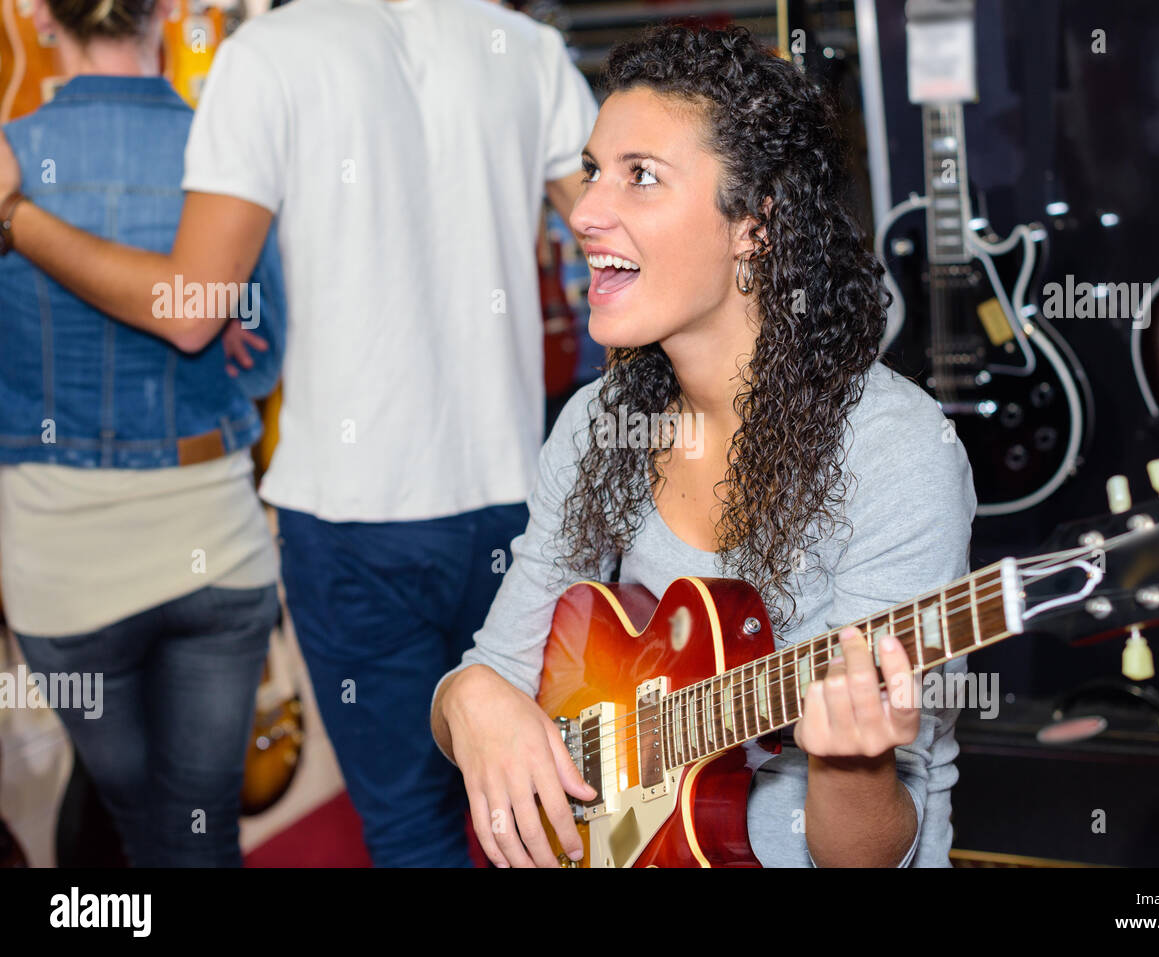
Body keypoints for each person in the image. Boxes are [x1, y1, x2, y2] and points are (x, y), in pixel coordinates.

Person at [0, 0, 598, 866]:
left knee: (414, 828)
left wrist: (15, 217)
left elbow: (194, 307)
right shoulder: (525, 47)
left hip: (353, 514)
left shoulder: (269, 53)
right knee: (558, 809)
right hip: (519, 506)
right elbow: (619, 236)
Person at [430, 24, 979, 868]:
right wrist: (467, 694)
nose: (585, 212)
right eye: (592, 171)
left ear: (753, 223)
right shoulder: (599, 422)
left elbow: (869, 854)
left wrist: (851, 761)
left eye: (641, 176)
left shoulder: (896, 451)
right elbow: (496, 674)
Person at [0, 0, 286, 866]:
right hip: (216, 546)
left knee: (139, 824)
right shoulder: (223, 152)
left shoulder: (11, 162)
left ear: (39, 17)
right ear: (165, 10)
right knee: (203, 828)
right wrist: (216, 322)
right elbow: (266, 362)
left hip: (61, 561)